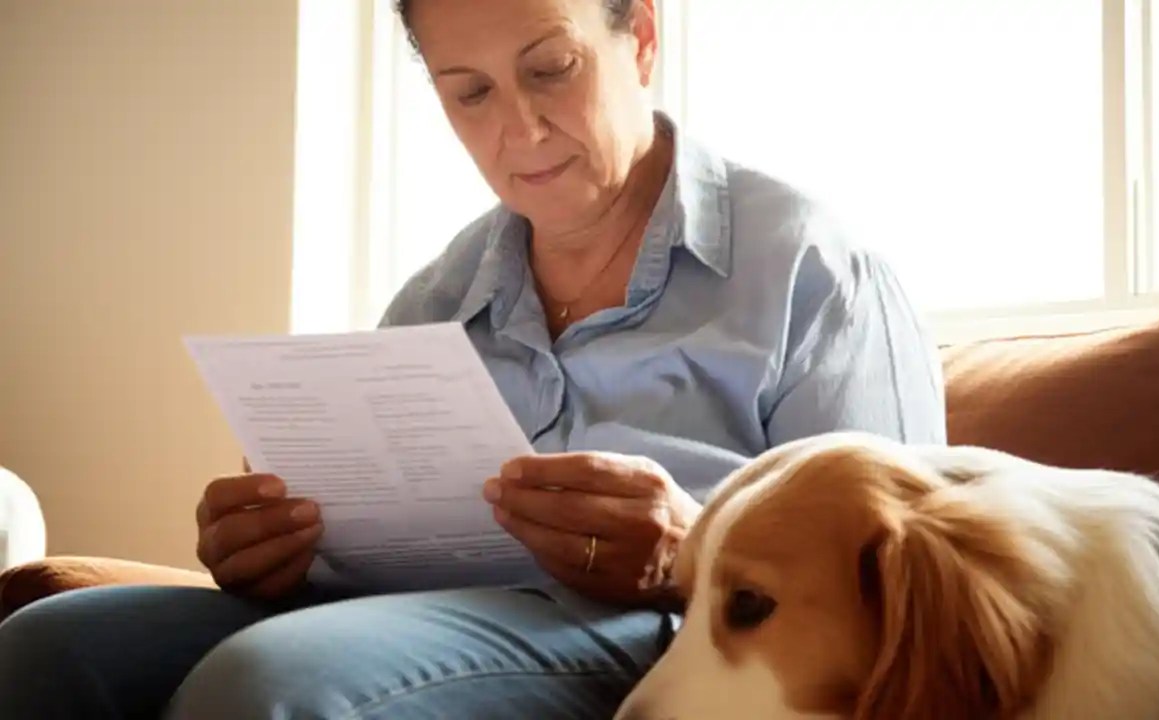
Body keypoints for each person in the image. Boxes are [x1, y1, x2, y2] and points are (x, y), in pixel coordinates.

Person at [0, 0, 946, 717]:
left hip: (656, 632)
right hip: (401, 613)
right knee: (46, 645)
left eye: (552, 69)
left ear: (643, 37)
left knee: (272, 682)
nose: (519, 129)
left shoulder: (813, 268)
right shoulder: (439, 296)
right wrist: (276, 552)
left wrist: (688, 549)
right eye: (471, 93)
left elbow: (912, 586)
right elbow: (359, 547)